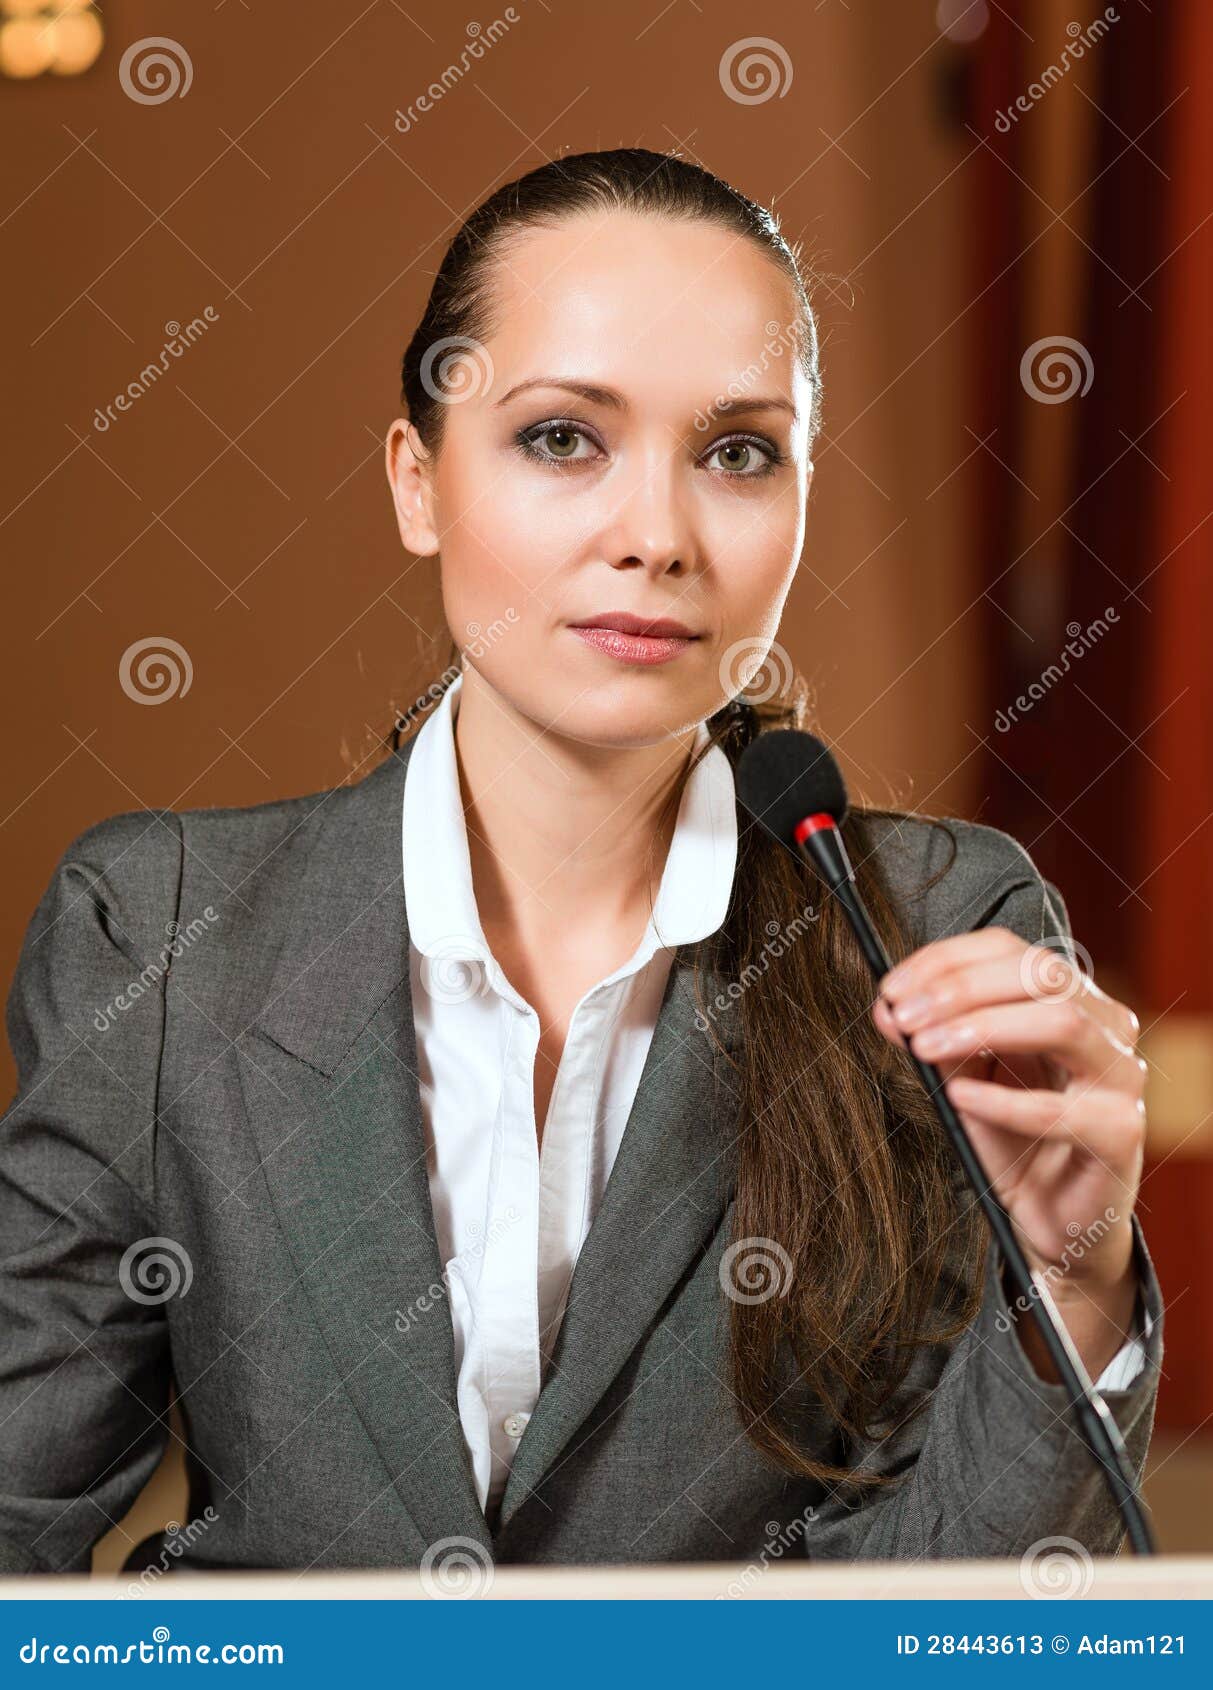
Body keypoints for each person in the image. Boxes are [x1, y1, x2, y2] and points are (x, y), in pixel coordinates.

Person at [0, 149, 1160, 1578]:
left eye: (737, 452)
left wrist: (1069, 1275)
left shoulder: (924, 933)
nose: (656, 537)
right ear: (417, 484)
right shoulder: (160, 934)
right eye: (561, 438)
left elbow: (945, 1618)